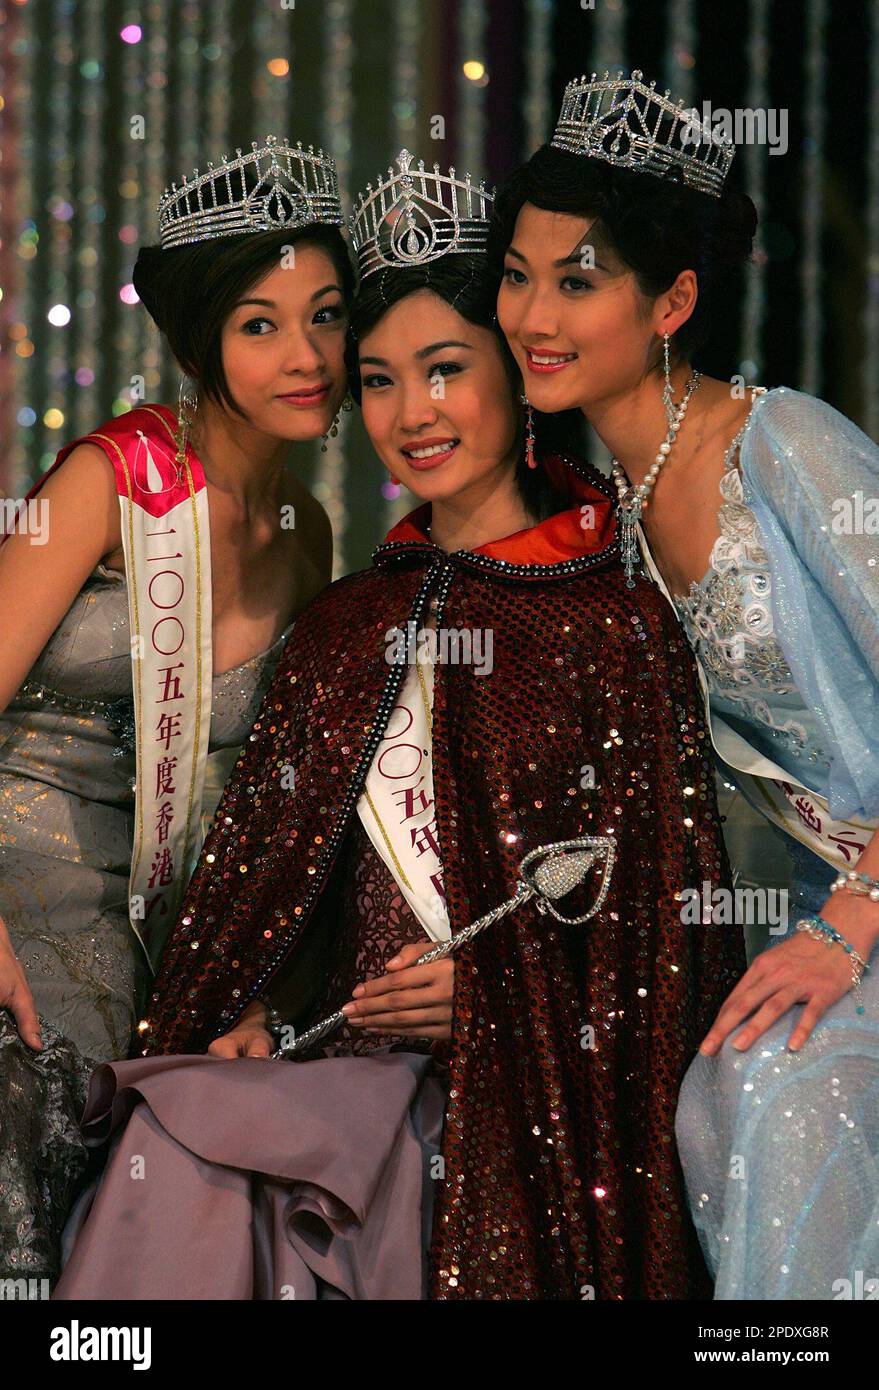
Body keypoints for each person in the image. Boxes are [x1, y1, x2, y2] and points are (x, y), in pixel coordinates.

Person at [53, 152, 742, 1303]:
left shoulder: (616, 618)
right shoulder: (344, 622)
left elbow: (668, 946)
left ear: (519, 380)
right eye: (377, 380)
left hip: (520, 1104)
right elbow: (279, 901)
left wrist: (498, 992)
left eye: (444, 370)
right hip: (336, 1073)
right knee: (172, 1150)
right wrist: (268, 1008)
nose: (411, 412)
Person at [491, 71, 879, 1298]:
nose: (532, 316)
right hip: (798, 909)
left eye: (578, 279)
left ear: (676, 300)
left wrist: (853, 918)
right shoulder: (590, 516)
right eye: (516, 273)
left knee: (771, 1096)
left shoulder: (791, 446)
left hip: (863, 907)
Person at [0, 136, 352, 1285]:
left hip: (151, 933)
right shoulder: (110, 481)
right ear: (200, 338)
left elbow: (255, 795)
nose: (307, 356)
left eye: (328, 315)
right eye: (260, 324)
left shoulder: (308, 539)